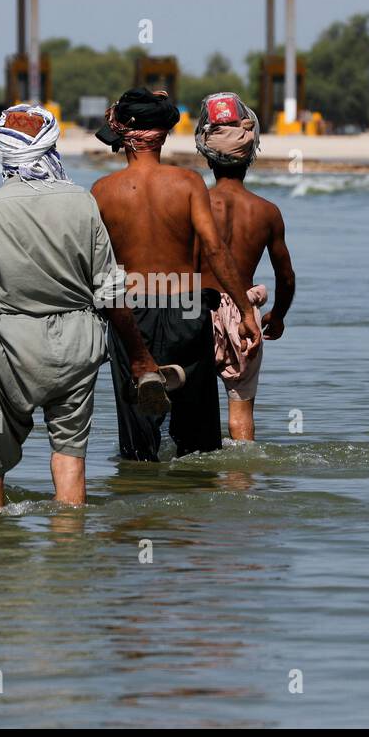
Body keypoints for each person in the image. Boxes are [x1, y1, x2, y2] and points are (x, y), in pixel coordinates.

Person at [0, 105, 160, 512]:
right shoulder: (82, 203)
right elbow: (112, 293)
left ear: (4, 154)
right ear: (50, 148)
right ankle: (68, 554)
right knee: (70, 455)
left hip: (14, 349)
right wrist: (140, 361)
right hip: (81, 345)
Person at [90, 87, 261, 462]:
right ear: (163, 136)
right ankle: (191, 511)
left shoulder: (101, 191)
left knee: (139, 446)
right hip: (185, 305)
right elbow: (215, 251)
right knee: (197, 444)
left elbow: (95, 267)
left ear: (125, 138)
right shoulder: (187, 183)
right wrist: (246, 313)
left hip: (130, 313)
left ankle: (140, 506)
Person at [194, 91, 295, 441]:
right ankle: (241, 482)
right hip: (243, 315)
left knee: (191, 410)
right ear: (250, 154)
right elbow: (285, 274)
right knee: (241, 414)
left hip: (197, 310)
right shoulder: (266, 211)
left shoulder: (195, 205)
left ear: (206, 154)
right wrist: (278, 315)